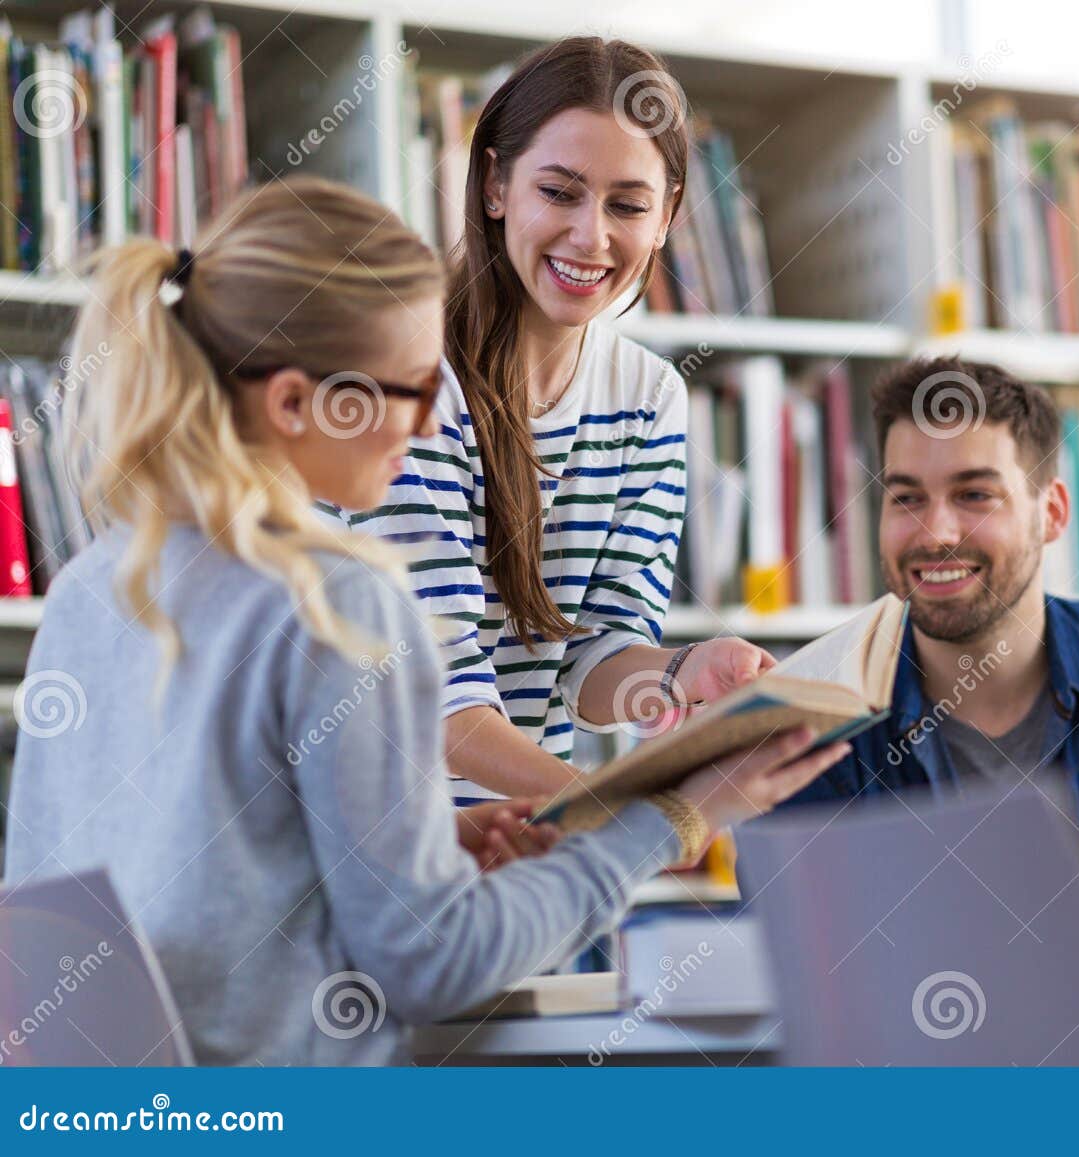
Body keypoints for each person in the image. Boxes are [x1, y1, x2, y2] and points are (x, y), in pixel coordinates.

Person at [2, 177, 847, 1065]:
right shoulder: (336, 601)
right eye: (413, 390)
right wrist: (670, 817)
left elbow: (152, 878)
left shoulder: (94, 588)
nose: (440, 418)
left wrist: (414, 833)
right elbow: (434, 962)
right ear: (296, 403)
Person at [324, 36, 771, 805]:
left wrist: (682, 673)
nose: (590, 237)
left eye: (627, 205)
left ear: (665, 218)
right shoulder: (408, 375)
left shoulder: (650, 396)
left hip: (528, 852)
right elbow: (443, 705)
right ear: (496, 184)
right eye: (560, 193)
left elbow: (590, 665)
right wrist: (612, 816)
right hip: (378, 861)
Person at [785, 356, 1079, 918]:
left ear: (1053, 513)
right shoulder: (820, 708)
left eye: (974, 495)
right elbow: (806, 952)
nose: (934, 532)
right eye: (907, 498)